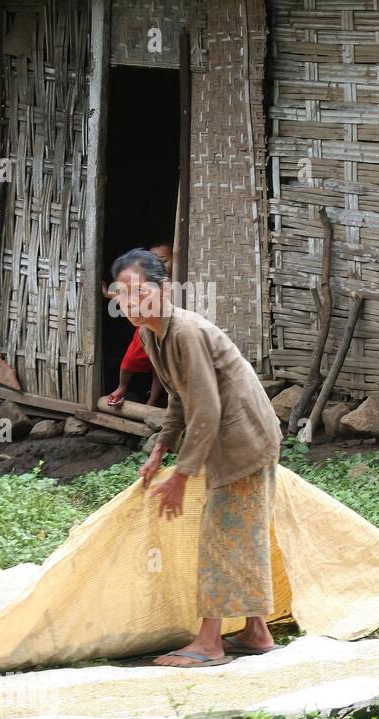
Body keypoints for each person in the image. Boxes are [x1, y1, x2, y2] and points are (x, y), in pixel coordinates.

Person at [108, 247, 283, 667]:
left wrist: (182, 476)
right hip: (224, 438)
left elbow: (206, 408)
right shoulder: (151, 332)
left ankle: (209, 643)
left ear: (163, 289)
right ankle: (257, 632)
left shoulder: (185, 331)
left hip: (245, 440)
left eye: (138, 293)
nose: (130, 304)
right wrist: (160, 451)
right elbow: (179, 400)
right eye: (121, 295)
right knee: (239, 535)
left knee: (220, 539)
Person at [105, 242, 174, 408]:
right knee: (132, 359)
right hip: (145, 328)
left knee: (160, 367)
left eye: (163, 261)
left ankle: (154, 400)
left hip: (163, 328)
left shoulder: (175, 284)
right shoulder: (141, 288)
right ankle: (123, 387)